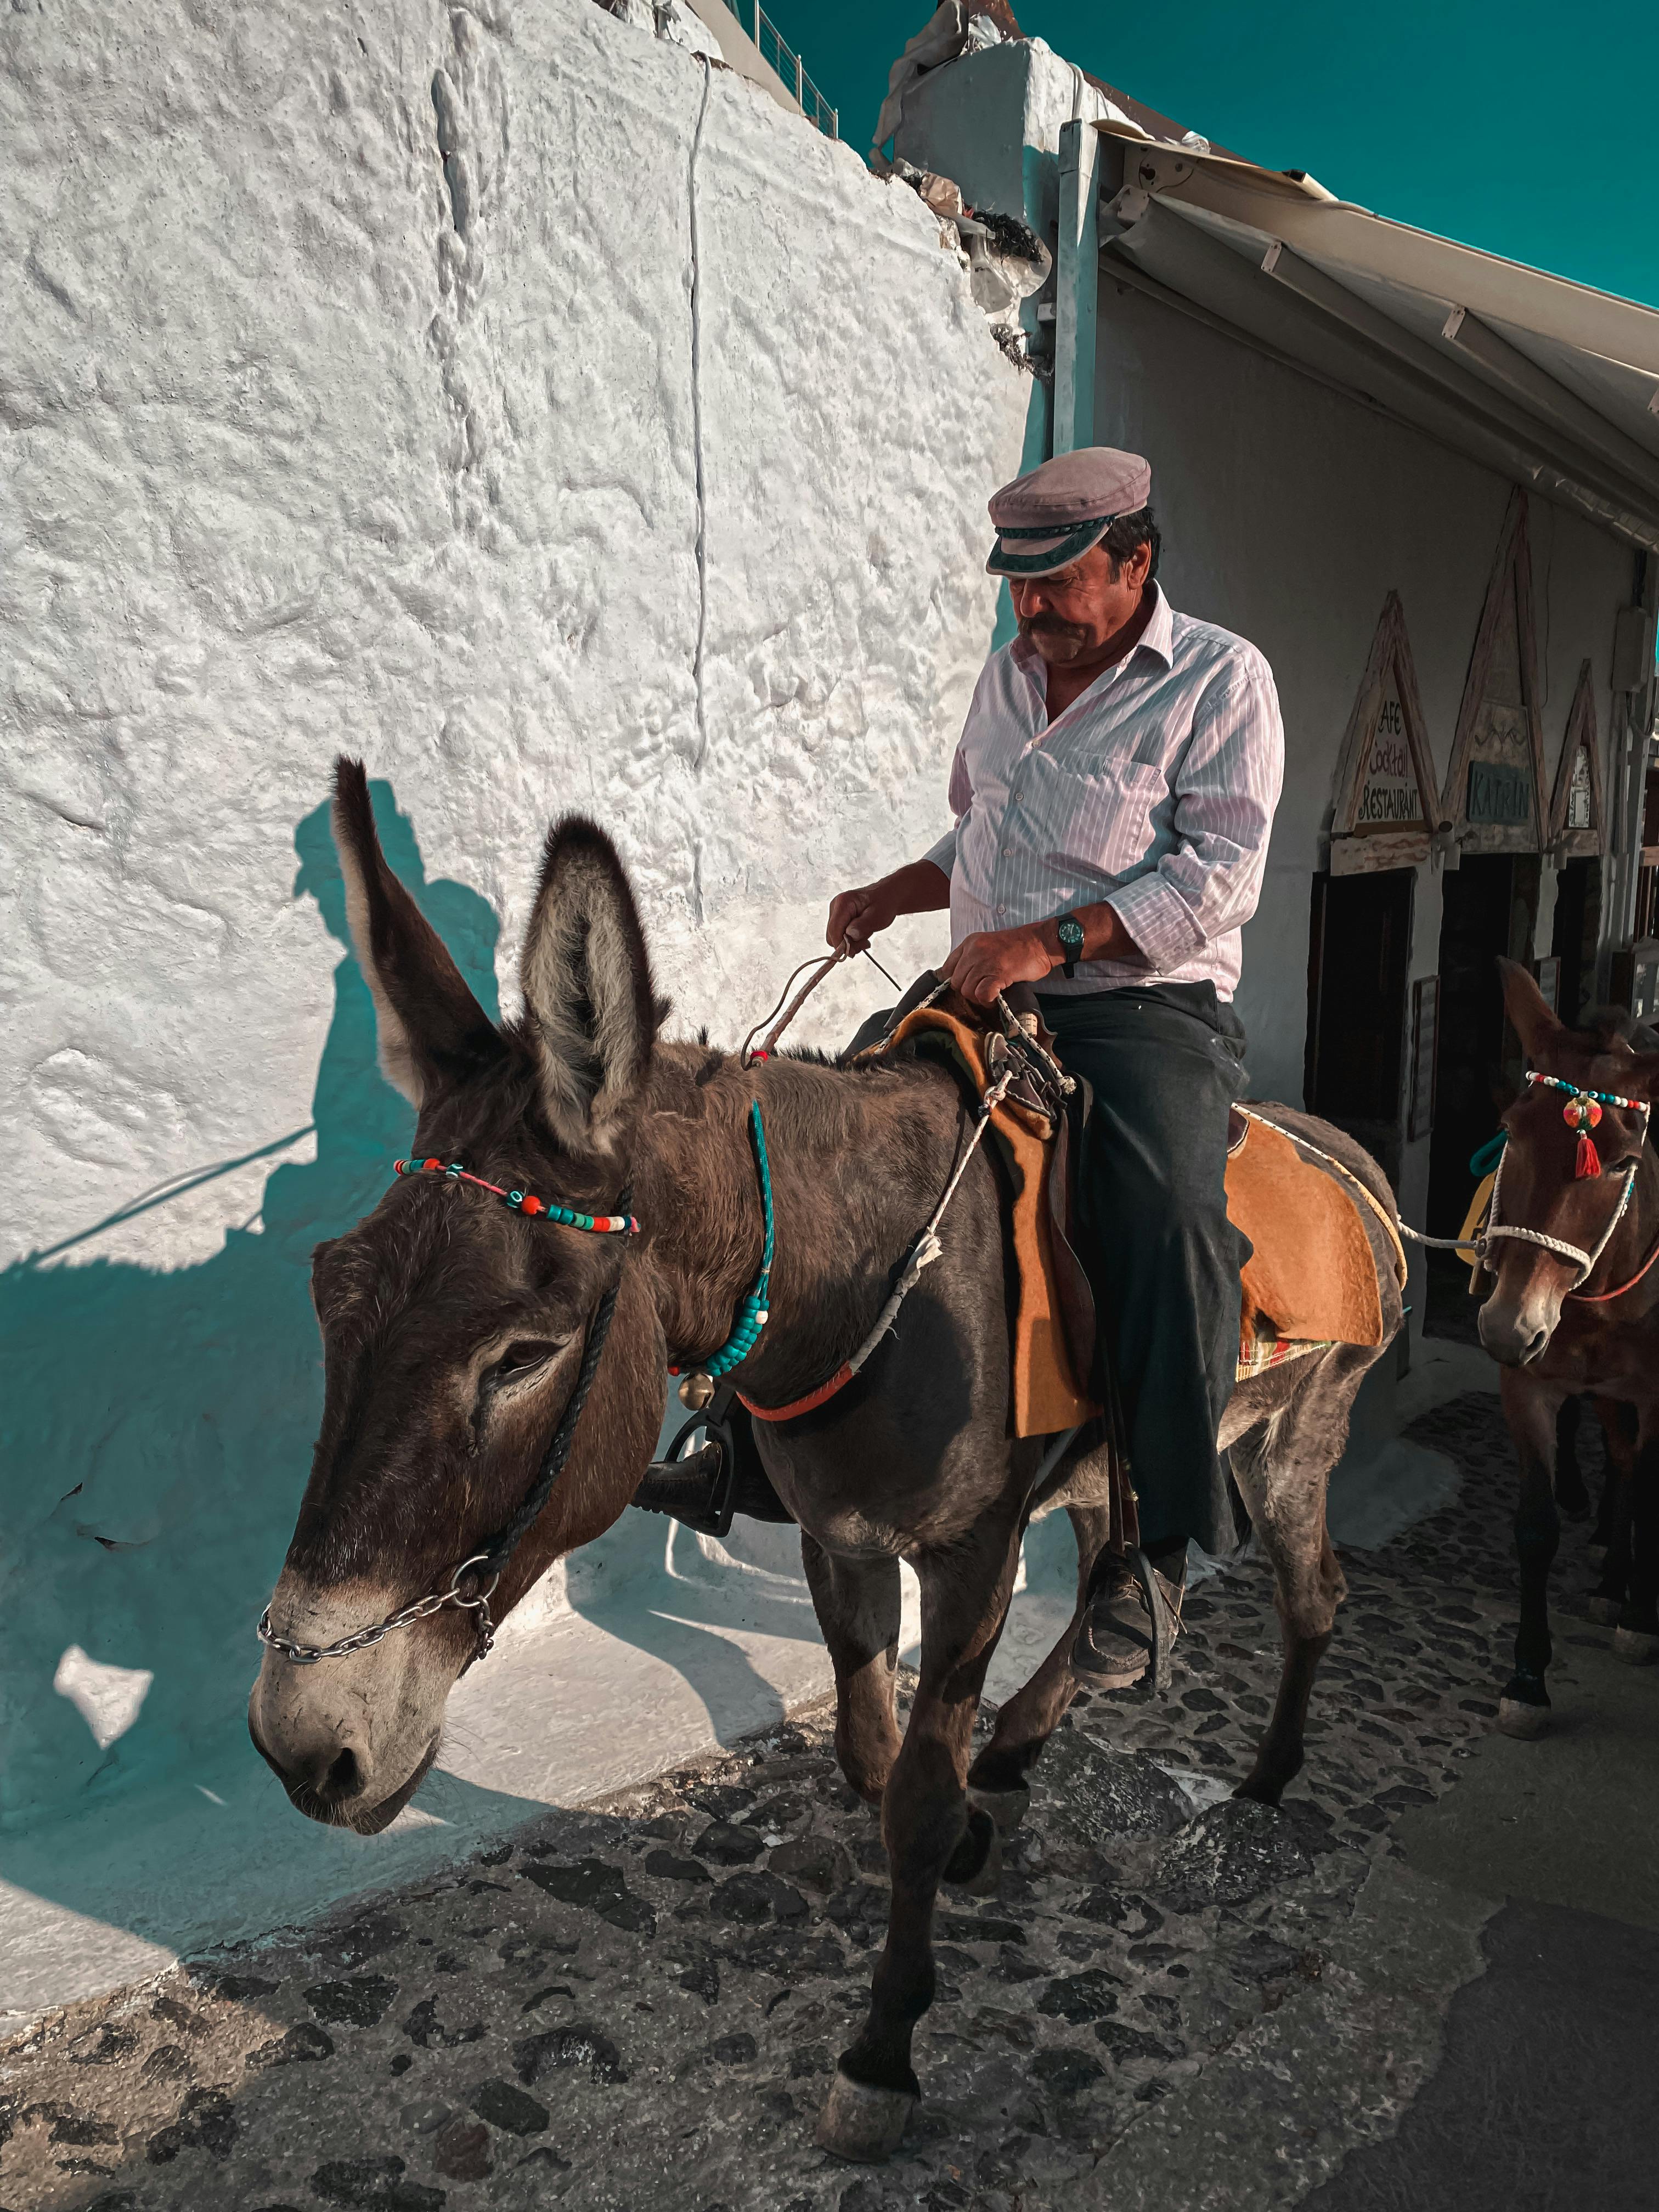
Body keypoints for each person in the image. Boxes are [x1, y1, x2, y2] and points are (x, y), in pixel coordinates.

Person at [826, 447, 1284, 1687]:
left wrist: (1052, 940)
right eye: (1016, 588)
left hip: (1138, 1010)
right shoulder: (1006, 680)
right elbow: (981, 830)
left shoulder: (1219, 680)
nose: (1031, 611)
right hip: (986, 993)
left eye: (1057, 583)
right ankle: (745, 1440)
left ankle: (1156, 1543)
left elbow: (1219, 874)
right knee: (827, 1144)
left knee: (1167, 1215)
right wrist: (897, 890)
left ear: (1136, 563)